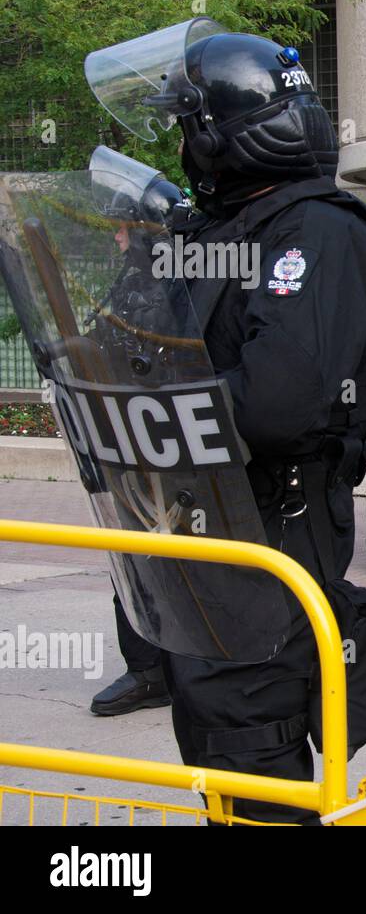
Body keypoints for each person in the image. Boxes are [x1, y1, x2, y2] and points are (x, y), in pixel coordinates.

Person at [84, 18, 366, 823]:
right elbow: (139, 346)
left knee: (255, 742)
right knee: (214, 737)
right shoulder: (221, 233)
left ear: (230, 138)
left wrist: (153, 408)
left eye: (191, 130)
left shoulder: (319, 231)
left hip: (272, 531)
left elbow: (278, 402)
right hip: (204, 530)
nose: (184, 151)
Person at [84, 147, 187, 717]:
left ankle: (159, 668)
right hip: (129, 444)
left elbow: (144, 364)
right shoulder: (137, 279)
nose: (116, 238)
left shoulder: (162, 287)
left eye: (123, 229)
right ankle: (154, 666)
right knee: (136, 559)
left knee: (155, 559)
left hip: (156, 450)